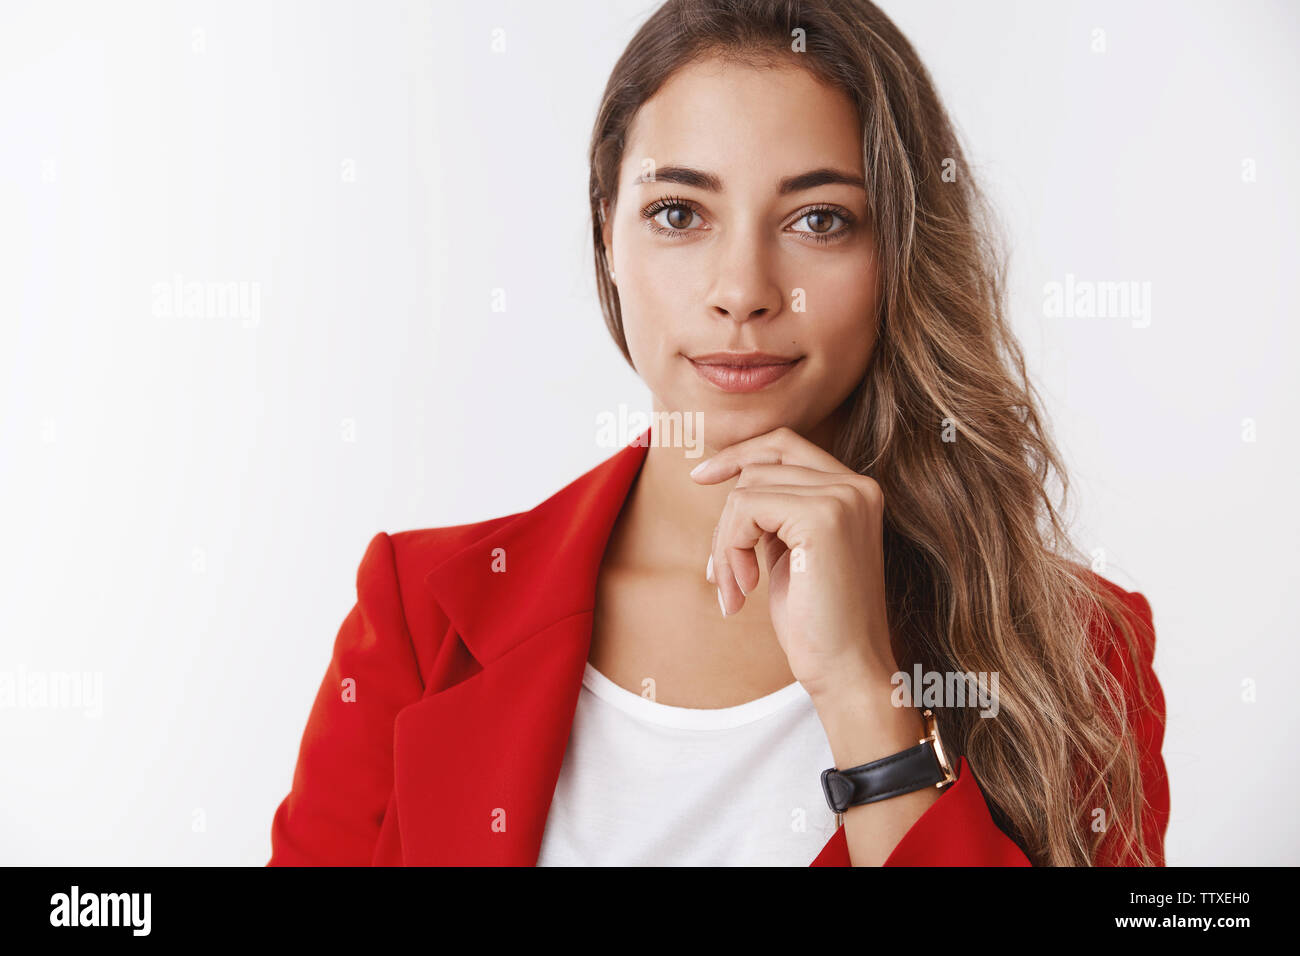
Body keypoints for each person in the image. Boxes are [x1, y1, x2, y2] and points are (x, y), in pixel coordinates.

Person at [268, 0, 1169, 867]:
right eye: (678, 213)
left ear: (899, 251)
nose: (743, 289)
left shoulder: (1080, 654)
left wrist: (865, 694)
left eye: (819, 220)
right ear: (606, 239)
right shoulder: (420, 615)